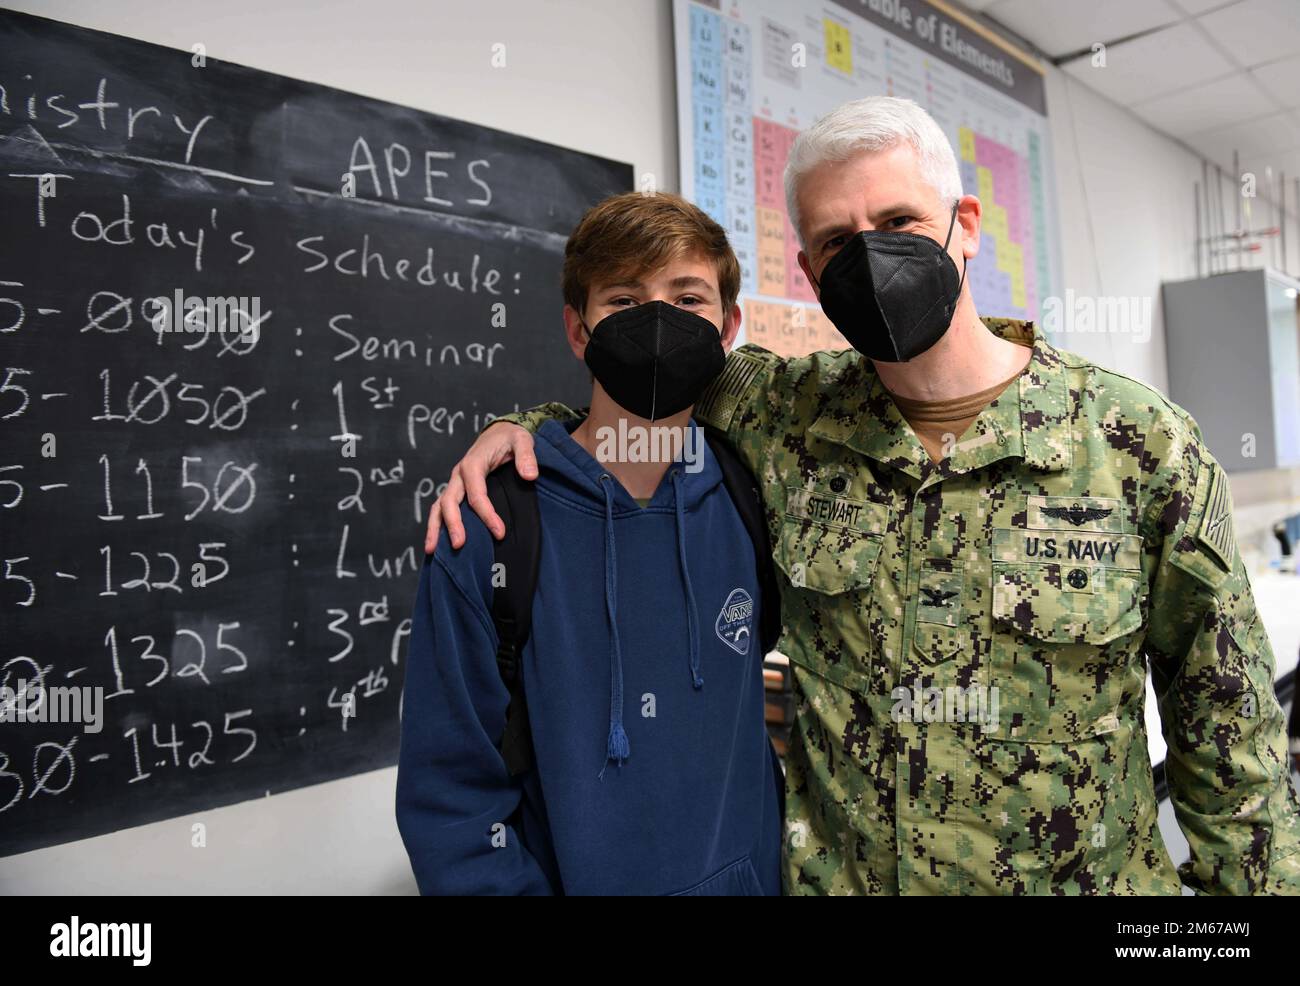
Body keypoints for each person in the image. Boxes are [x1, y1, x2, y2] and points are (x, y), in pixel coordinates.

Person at [426, 97, 1300, 895]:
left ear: (964, 227)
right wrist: (524, 428)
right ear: (808, 271)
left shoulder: (1139, 442)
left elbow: (1232, 736)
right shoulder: (784, 415)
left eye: (897, 221)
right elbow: (643, 379)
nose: (872, 254)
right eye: (839, 241)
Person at [395, 190, 784, 895]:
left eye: (688, 298)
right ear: (579, 332)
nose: (660, 321)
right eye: (625, 301)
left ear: (728, 329)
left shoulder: (750, 494)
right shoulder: (489, 526)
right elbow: (450, 798)